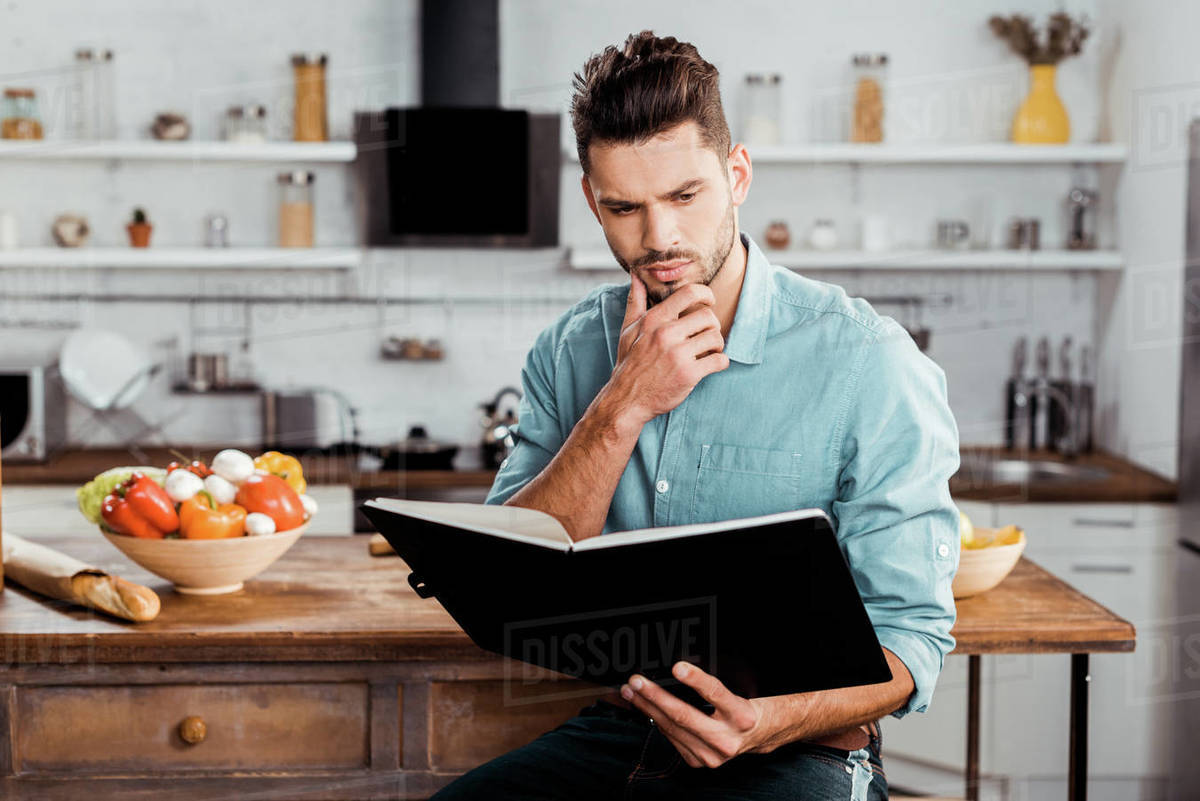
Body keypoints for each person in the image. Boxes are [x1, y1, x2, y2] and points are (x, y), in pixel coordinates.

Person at [431, 30, 959, 801]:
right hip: (623, 734)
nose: (660, 238)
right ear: (591, 200)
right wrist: (621, 405)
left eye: (685, 196)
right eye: (625, 207)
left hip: (803, 749)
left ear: (736, 174)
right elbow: (512, 585)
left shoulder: (868, 360)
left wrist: (765, 720)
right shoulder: (569, 352)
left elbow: (913, 639)